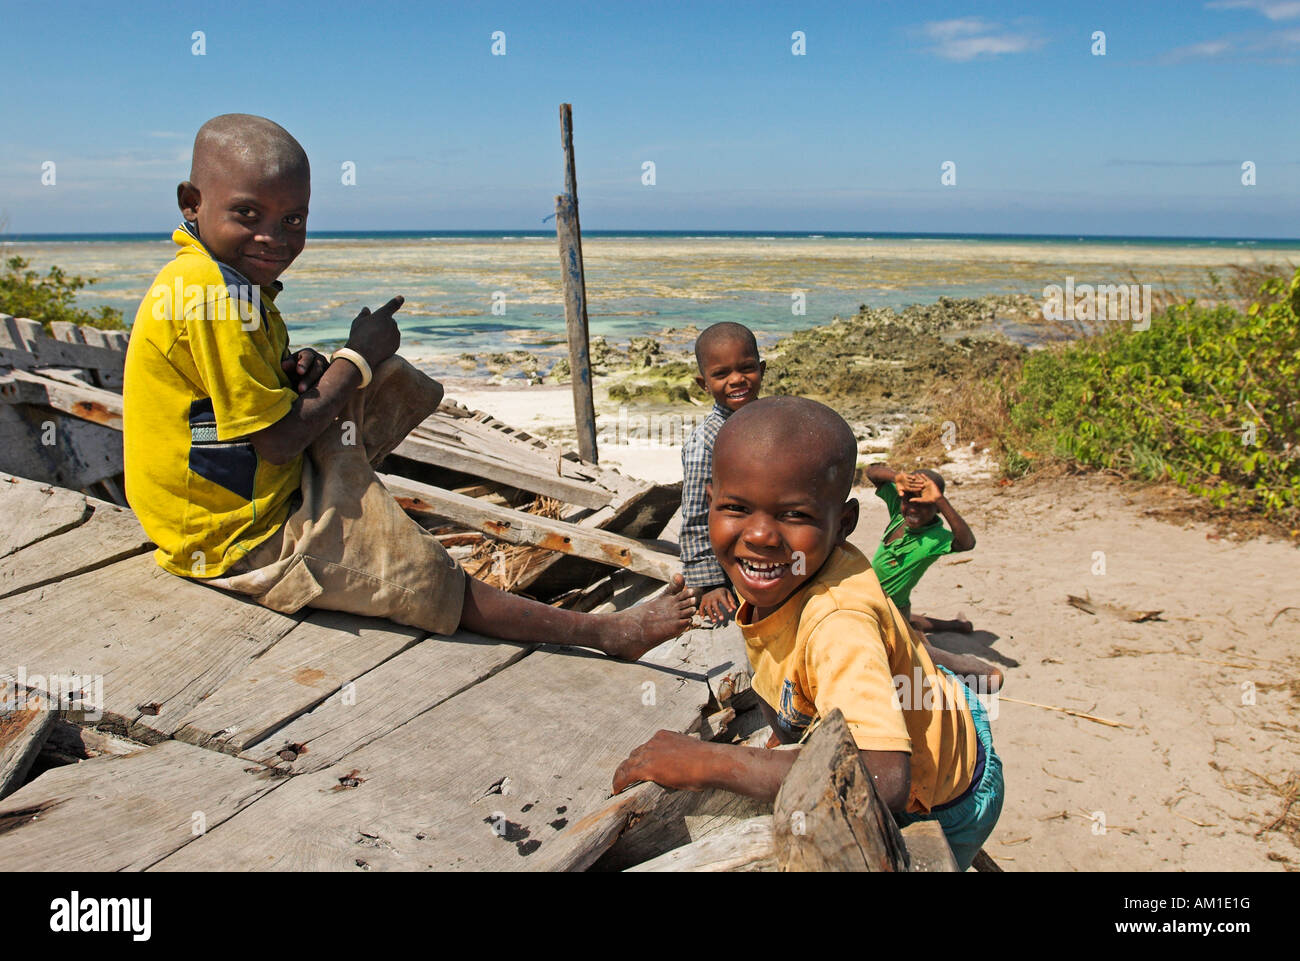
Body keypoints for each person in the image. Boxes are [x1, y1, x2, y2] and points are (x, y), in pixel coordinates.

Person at [122, 113, 695, 661]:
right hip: (232, 539)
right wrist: (356, 355)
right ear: (191, 203)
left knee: (389, 383)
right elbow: (275, 442)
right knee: (423, 574)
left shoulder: (212, 278)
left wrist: (300, 367)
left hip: (223, 495)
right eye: (248, 214)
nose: (274, 237)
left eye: (293, 220)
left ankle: (349, 491)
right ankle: (604, 633)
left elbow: (224, 393)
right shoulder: (217, 296)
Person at [613, 397, 1003, 870]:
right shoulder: (781, 576)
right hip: (926, 704)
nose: (760, 536)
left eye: (794, 515)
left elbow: (884, 780)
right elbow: (776, 665)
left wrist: (706, 763)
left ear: (844, 525)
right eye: (736, 507)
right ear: (709, 499)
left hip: (948, 789)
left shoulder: (839, 625)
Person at [680, 322, 764, 625]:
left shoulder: (773, 423)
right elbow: (695, 514)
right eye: (721, 374)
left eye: (746, 368)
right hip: (731, 560)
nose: (737, 380)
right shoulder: (706, 443)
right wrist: (711, 583)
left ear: (762, 369)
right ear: (703, 383)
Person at [865, 463, 976, 635]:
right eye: (908, 500)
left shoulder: (936, 537)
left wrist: (940, 500)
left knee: (900, 638)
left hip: (893, 607)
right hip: (870, 596)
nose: (913, 509)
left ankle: (955, 626)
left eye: (923, 503)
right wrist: (896, 477)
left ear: (937, 508)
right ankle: (957, 625)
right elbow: (871, 472)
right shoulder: (898, 513)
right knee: (909, 621)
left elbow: (967, 543)